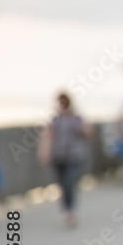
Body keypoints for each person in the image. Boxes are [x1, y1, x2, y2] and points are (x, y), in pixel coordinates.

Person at [38, 93, 92, 228]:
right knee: (62, 185)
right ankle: (66, 210)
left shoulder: (76, 118)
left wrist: (79, 124)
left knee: (69, 182)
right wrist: (44, 152)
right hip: (59, 156)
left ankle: (70, 211)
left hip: (74, 156)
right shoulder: (55, 119)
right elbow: (47, 135)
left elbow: (88, 132)